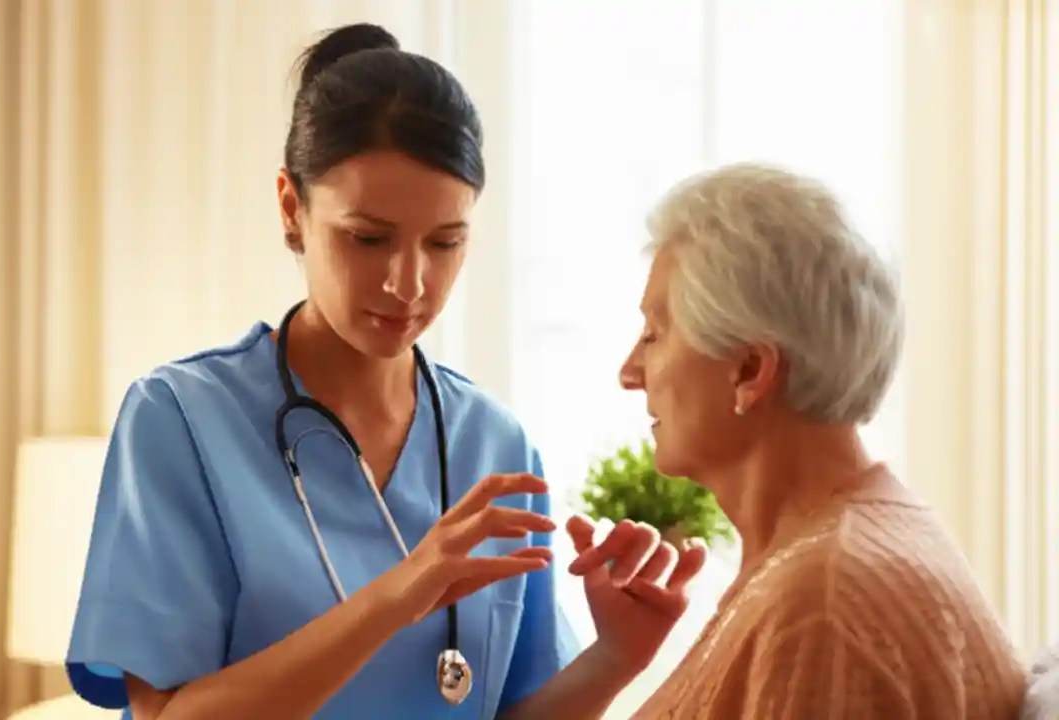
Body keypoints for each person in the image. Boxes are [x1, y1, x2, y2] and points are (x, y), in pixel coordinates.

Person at [65, 23, 707, 720]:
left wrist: (616, 658)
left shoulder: (494, 444)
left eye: (445, 243)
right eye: (369, 239)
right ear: (291, 208)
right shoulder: (182, 419)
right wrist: (398, 595)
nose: (410, 283)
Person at [617, 163, 1029, 719]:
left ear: (749, 370)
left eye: (653, 335)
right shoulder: (823, 558)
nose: (629, 371)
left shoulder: (824, 602)